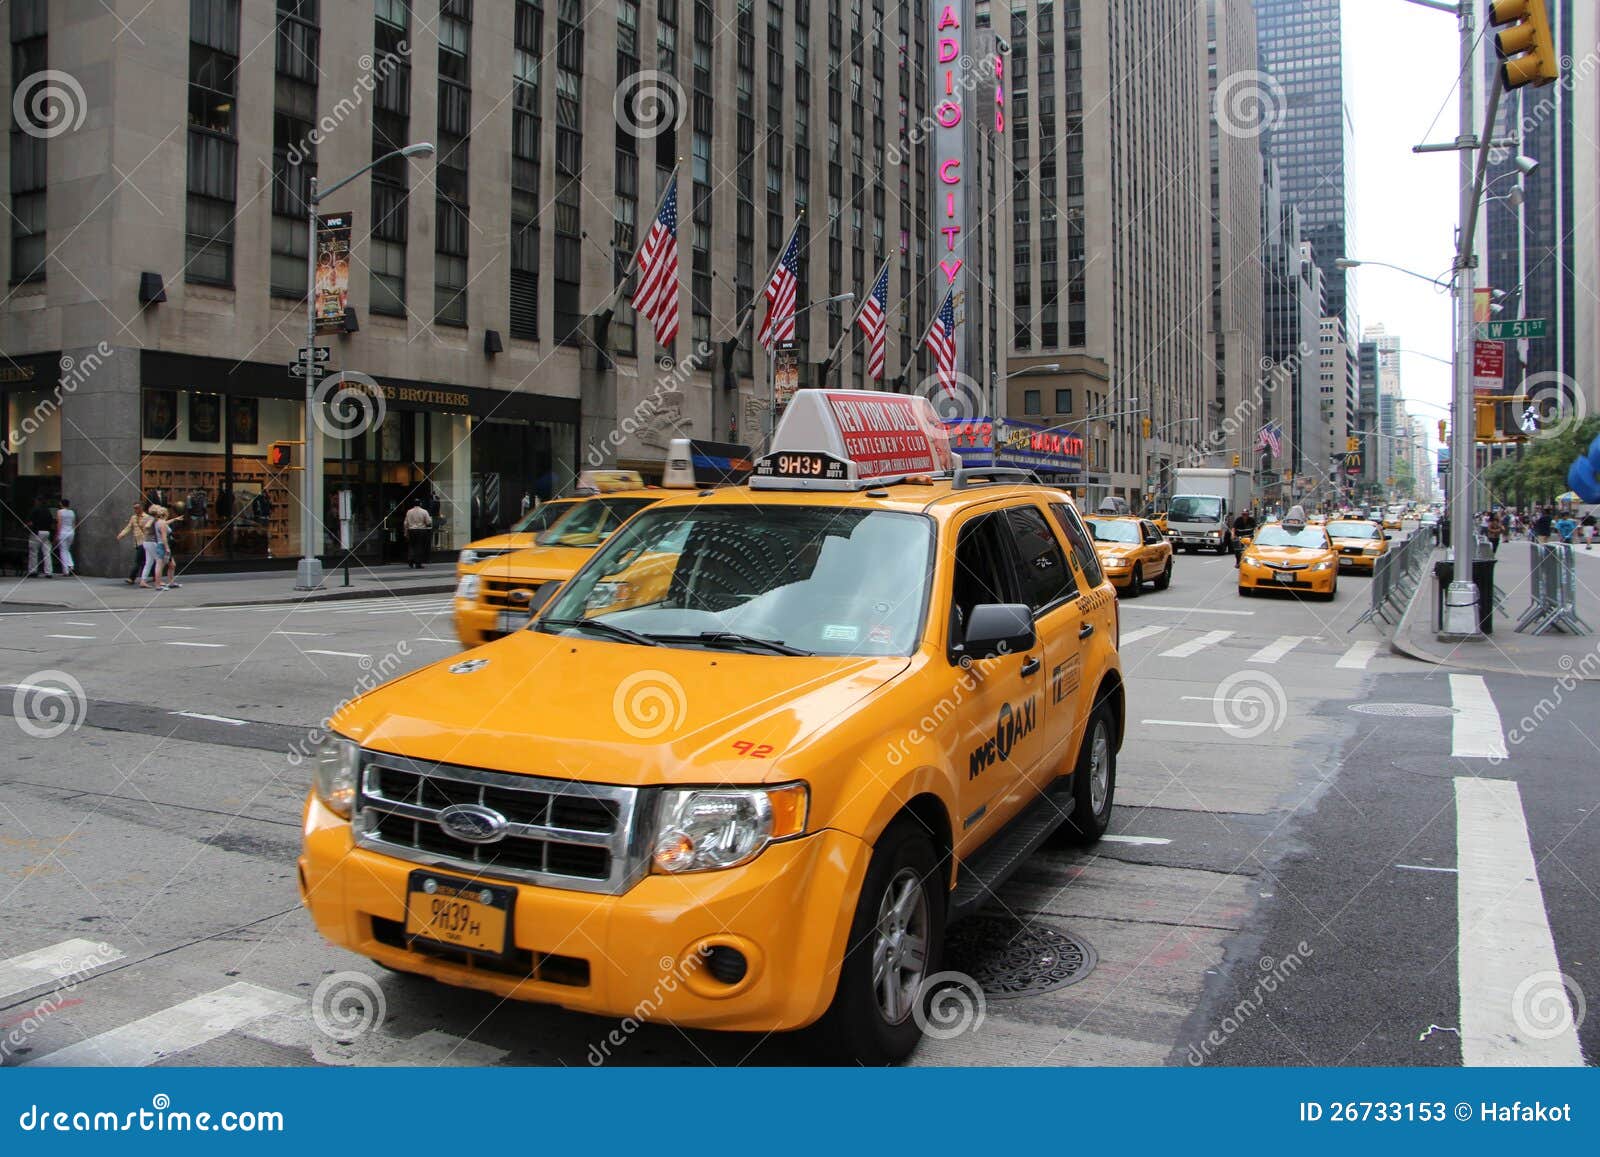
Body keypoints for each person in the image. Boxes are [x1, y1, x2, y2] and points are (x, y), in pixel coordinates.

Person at [118, 500, 151, 584]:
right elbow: (128, 527)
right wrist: (122, 534)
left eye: (137, 508)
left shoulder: (147, 517)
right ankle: (152, 575)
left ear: (141, 508)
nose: (135, 509)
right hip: (137, 542)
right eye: (134, 508)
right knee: (145, 560)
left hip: (144, 541)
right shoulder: (133, 517)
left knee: (138, 561)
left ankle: (131, 578)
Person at [25, 498, 54, 577]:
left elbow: (30, 522)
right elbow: (52, 522)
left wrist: (26, 526)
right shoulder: (48, 511)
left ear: (37, 501)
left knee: (33, 552)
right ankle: (49, 572)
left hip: (36, 532)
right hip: (47, 532)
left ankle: (33, 571)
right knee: (47, 553)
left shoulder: (35, 510)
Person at [404, 499, 433, 568]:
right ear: (420, 504)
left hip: (411, 530)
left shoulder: (409, 512)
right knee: (419, 546)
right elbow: (428, 522)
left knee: (412, 545)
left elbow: (405, 523)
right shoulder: (424, 511)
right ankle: (418, 563)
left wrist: (405, 532)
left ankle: (410, 560)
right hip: (421, 530)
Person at [54, 498, 77, 576]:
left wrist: (57, 534)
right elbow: (74, 523)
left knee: (63, 551)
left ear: (61, 504)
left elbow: (59, 523)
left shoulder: (59, 512)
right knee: (67, 550)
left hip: (63, 532)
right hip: (71, 532)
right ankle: (71, 565)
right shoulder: (72, 512)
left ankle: (65, 570)